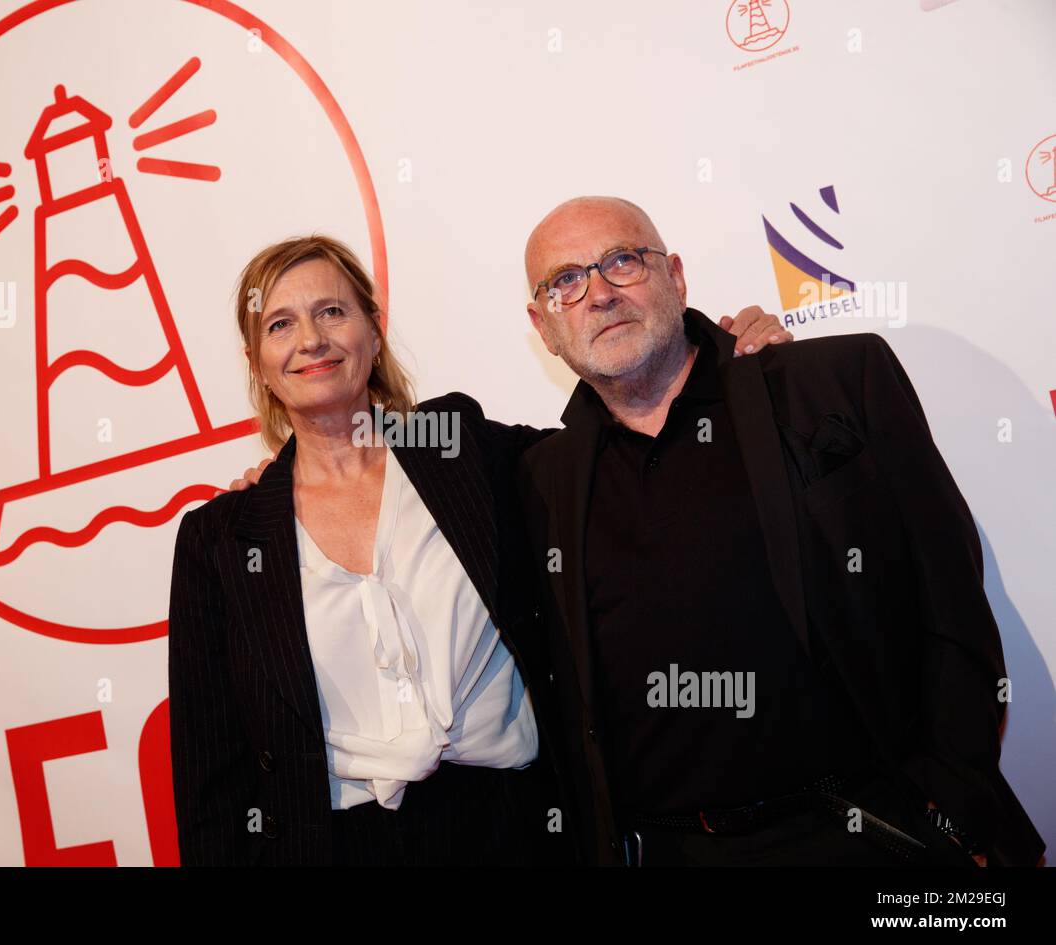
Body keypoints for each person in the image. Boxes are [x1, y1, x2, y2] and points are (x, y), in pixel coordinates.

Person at [167, 233, 789, 865]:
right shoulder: (220, 540)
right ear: (258, 361)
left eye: (332, 312)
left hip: (518, 828)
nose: (311, 340)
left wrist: (716, 358)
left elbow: (618, 452)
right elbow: (211, 775)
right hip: (335, 847)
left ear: (374, 332)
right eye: (280, 324)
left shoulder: (458, 450)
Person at [517, 195, 1046, 866]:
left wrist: (954, 801)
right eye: (565, 281)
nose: (597, 293)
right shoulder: (538, 478)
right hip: (676, 851)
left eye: (622, 261)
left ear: (675, 278)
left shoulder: (830, 384)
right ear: (542, 324)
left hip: (872, 831)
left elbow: (951, 601)